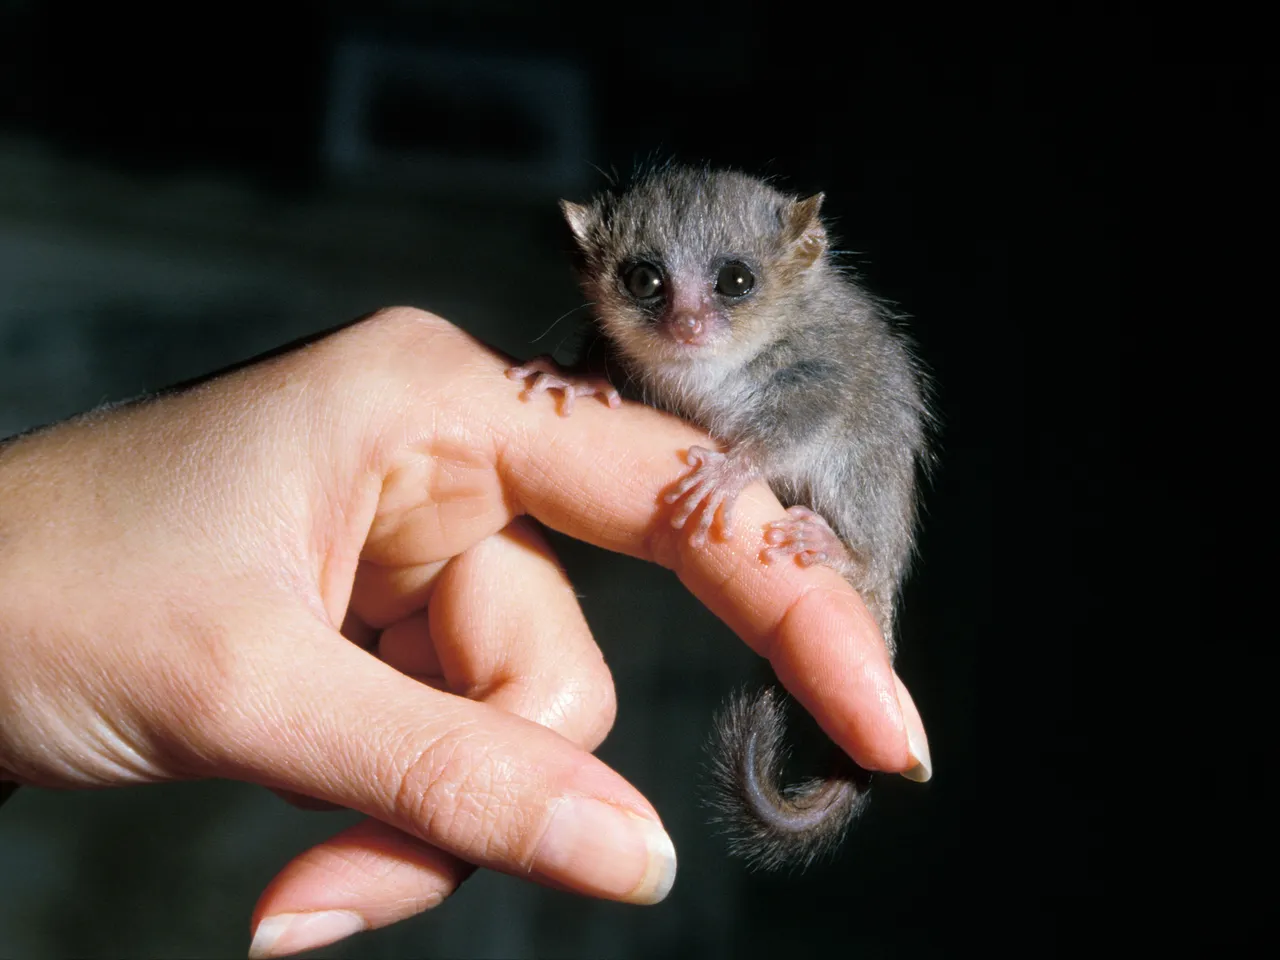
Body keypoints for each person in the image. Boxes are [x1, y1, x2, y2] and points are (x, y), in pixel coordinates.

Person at [0, 307, 930, 958]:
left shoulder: (817, 347)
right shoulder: (636, 334)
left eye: (727, 289)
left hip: (831, 492)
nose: (687, 320)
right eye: (649, 286)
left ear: (799, 255)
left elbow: (812, 405)